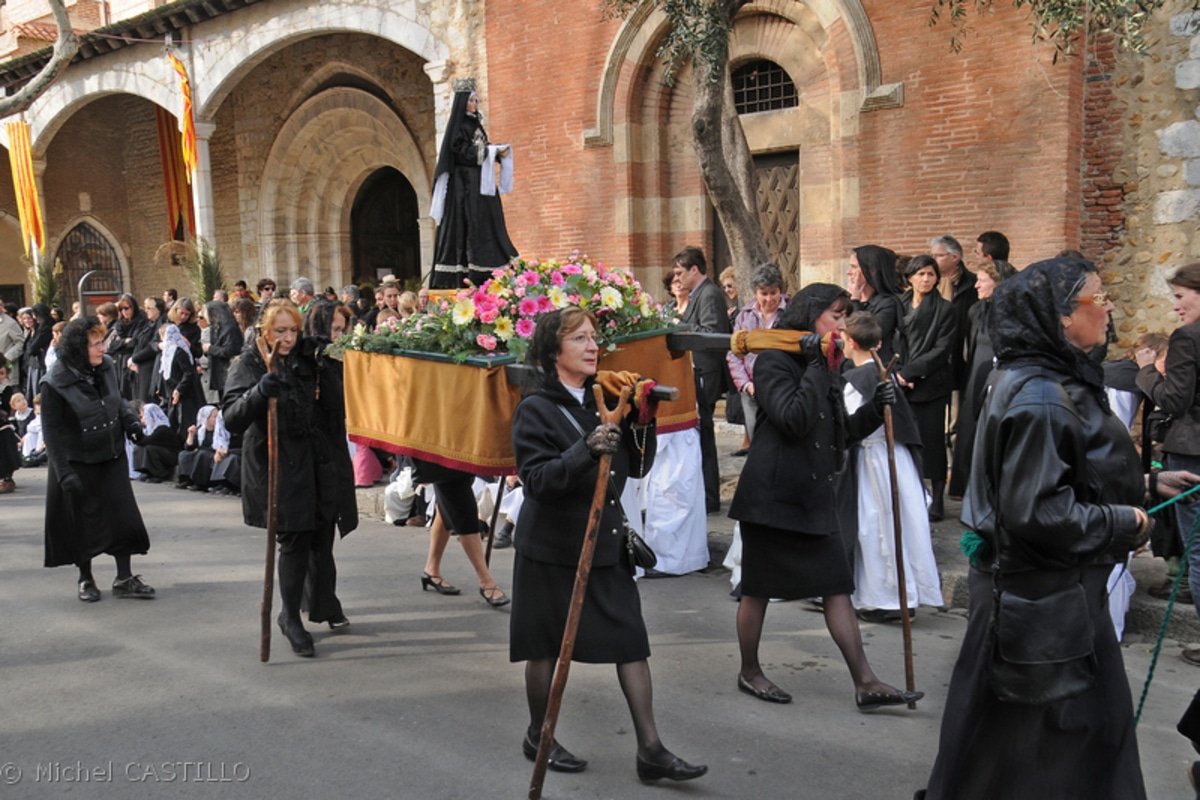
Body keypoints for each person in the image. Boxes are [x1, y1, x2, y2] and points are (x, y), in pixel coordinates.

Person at [917, 257, 1198, 799]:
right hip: (1041, 609)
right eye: (1099, 297)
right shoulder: (1042, 393)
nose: (1109, 307)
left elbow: (1063, 472)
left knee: (1033, 757)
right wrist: (1128, 522)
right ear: (1062, 316)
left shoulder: (1045, 378)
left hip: (1050, 604)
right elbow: (1039, 513)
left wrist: (1143, 485)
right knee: (1038, 760)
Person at [509, 306, 706, 783]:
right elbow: (536, 481)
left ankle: (651, 750)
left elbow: (635, 468)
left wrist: (644, 420)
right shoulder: (535, 408)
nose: (593, 346)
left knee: (630, 643)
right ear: (553, 351)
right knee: (545, 648)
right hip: (552, 550)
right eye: (579, 339)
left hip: (604, 543)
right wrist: (584, 450)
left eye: (594, 337)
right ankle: (540, 732)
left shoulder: (604, 399)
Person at [728, 283, 921, 710]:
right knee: (756, 589)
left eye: (845, 315)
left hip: (813, 494)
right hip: (773, 496)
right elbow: (794, 420)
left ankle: (865, 680)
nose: (842, 324)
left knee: (837, 586)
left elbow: (840, 433)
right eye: (835, 315)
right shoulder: (774, 362)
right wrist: (818, 365)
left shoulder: (828, 364)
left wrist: (875, 408)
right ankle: (750, 670)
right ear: (811, 315)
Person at [223, 299, 354, 656]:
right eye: (280, 331)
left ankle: (321, 601)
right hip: (276, 464)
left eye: (293, 330)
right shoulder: (249, 362)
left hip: (312, 460)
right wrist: (259, 392)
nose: (288, 338)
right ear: (265, 331)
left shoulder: (305, 359)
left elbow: (334, 407)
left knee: (319, 533)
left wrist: (326, 367)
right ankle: (289, 615)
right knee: (293, 538)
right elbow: (232, 416)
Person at [41, 317, 155, 602]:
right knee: (83, 523)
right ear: (79, 347)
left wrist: (131, 424)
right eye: (95, 344)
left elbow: (117, 400)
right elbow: (51, 432)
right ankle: (85, 579)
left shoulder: (104, 367)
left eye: (102, 342)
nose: (102, 348)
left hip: (111, 454)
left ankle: (124, 578)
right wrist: (62, 471)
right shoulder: (55, 382)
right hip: (77, 460)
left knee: (124, 517)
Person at [841, 312, 942, 622]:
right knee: (899, 527)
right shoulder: (885, 376)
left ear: (850, 342)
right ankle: (903, 594)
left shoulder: (857, 381)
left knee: (877, 529)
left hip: (876, 465)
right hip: (897, 461)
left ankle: (885, 599)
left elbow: (852, 426)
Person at [1137, 263, 1200, 637]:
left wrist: (1146, 371)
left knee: (1198, 549)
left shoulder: (1187, 338)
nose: (1176, 306)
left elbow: (1175, 400)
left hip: (1192, 451)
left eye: (1180, 296)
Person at [429, 87, 518, 289]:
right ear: (462, 103)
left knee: (487, 222)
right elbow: (460, 150)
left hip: (480, 185)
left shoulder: (476, 125)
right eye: (471, 100)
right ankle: (468, 270)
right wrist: (487, 151)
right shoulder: (459, 126)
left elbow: (480, 150)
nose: (475, 104)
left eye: (477, 101)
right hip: (464, 185)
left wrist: (496, 152)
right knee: (466, 224)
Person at [948, 258, 1017, 500]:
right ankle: (964, 487)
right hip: (976, 374)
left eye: (982, 281)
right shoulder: (976, 310)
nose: (976, 286)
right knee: (968, 429)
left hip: (1001, 375)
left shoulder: (1014, 312)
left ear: (999, 284)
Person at [896, 255, 958, 521]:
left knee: (932, 441)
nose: (925, 279)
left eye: (931, 274)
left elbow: (942, 349)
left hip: (931, 384)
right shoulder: (897, 305)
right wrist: (898, 373)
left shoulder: (945, 310)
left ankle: (938, 499)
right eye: (920, 274)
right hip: (899, 382)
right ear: (910, 277)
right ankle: (910, 493)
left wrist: (911, 372)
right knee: (903, 441)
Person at [673, 246, 731, 514]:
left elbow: (712, 333)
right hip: (694, 373)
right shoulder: (699, 293)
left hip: (705, 373)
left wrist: (681, 325)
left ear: (694, 270)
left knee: (705, 435)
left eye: (680, 272)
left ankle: (709, 497)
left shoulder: (709, 294)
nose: (678, 278)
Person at [727, 262, 789, 443]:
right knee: (757, 439)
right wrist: (746, 384)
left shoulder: (791, 312)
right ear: (756, 293)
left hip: (781, 387)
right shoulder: (745, 316)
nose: (769, 299)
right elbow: (734, 353)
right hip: (751, 388)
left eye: (773, 293)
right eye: (764, 294)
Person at [847, 244, 904, 364]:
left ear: (871, 270)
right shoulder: (847, 298)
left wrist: (855, 301)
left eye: (854, 267)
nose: (849, 272)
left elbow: (865, 335)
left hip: (875, 369)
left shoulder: (888, 303)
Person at [108, 294, 150, 400]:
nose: (124, 312)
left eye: (126, 308)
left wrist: (121, 343)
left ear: (133, 308)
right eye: (121, 309)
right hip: (120, 361)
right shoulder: (119, 324)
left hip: (131, 360)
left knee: (132, 393)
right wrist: (124, 341)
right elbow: (111, 345)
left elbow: (135, 342)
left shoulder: (141, 322)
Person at [201, 300, 242, 401]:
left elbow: (230, 350)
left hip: (227, 371)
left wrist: (210, 349)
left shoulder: (230, 328)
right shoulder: (216, 327)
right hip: (219, 370)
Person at [129, 297, 168, 402]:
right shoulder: (149, 323)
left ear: (158, 309)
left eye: (149, 308)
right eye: (145, 308)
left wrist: (135, 358)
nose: (146, 310)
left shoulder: (162, 324)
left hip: (150, 367)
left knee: (146, 401)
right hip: (142, 367)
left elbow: (151, 346)